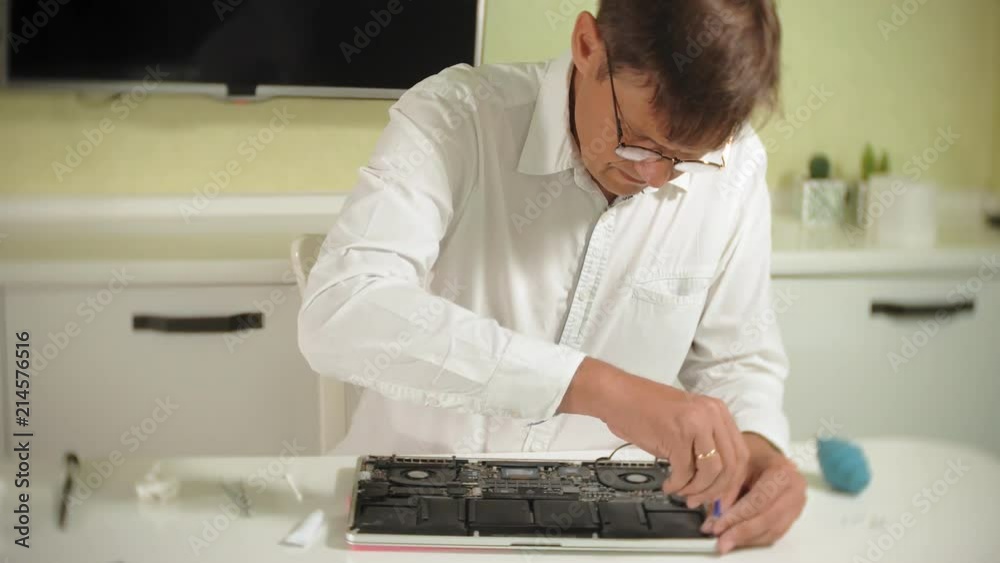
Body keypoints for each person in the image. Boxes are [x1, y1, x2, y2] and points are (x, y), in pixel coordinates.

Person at [298, 0, 806, 553]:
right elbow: (342, 312)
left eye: (685, 160)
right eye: (635, 140)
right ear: (588, 46)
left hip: (614, 521)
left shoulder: (738, 165)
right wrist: (603, 390)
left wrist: (759, 447)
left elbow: (737, 360)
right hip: (411, 502)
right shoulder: (457, 115)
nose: (654, 177)